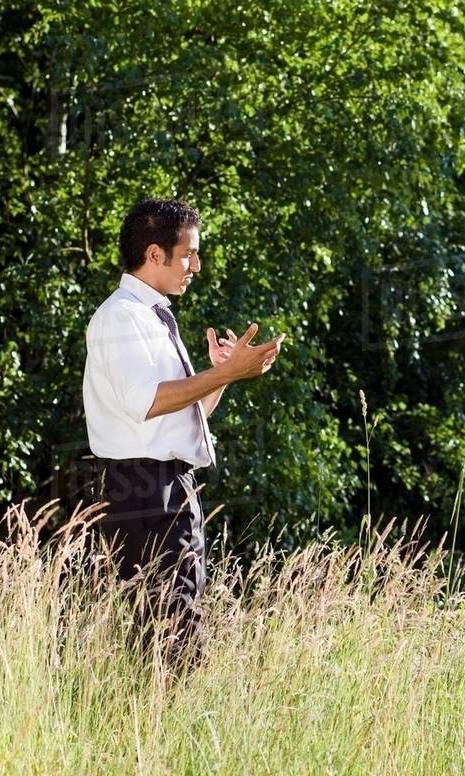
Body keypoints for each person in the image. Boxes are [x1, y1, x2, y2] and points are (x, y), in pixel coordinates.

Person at [82, 197, 283, 663]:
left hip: (169, 484)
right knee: (169, 637)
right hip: (146, 488)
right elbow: (147, 403)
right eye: (189, 253)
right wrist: (228, 372)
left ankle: (159, 725)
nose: (196, 265)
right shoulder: (122, 316)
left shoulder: (151, 316)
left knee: (181, 627)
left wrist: (224, 373)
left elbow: (184, 416)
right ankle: (152, 725)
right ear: (155, 255)